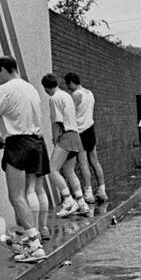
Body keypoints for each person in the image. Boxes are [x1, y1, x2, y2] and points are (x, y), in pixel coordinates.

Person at [0, 56, 50, 263]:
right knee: (29, 192)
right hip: (36, 143)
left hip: (17, 144)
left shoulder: (5, 89)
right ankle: (23, 239)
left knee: (16, 197)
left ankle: (34, 243)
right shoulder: (31, 89)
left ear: (3, 70)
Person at [41, 73, 90, 217]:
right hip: (76, 136)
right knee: (69, 171)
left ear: (46, 88)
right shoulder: (67, 95)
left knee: (51, 169)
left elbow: (57, 122)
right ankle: (82, 203)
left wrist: (55, 140)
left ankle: (68, 200)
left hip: (66, 136)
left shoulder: (54, 98)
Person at [64, 72, 107, 203]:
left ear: (71, 82)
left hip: (80, 131)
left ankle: (88, 193)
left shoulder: (76, 95)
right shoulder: (89, 93)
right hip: (91, 128)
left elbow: (69, 114)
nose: (67, 87)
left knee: (83, 163)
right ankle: (102, 190)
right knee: (95, 161)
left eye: (67, 85)